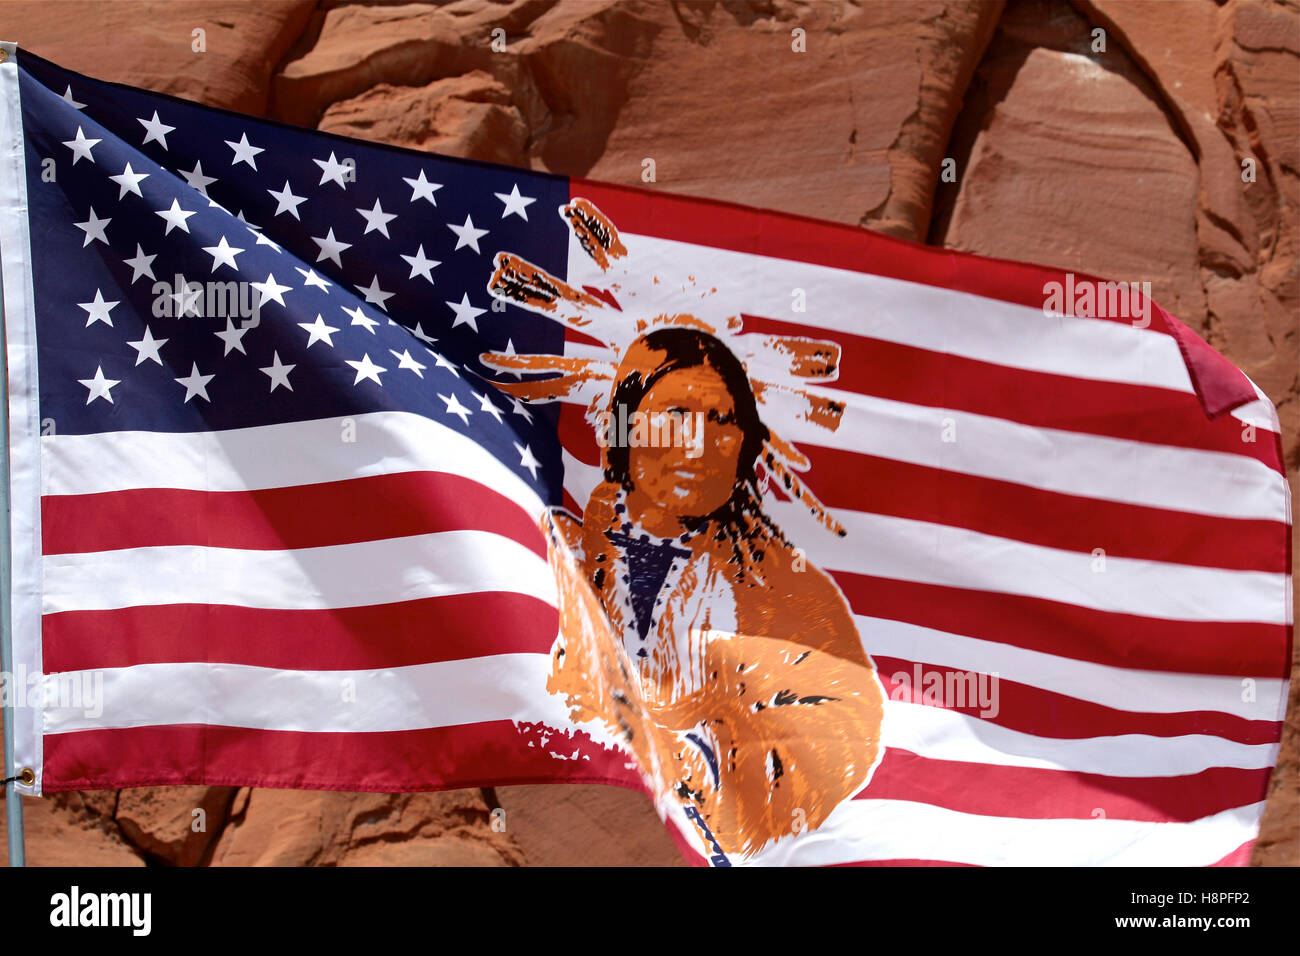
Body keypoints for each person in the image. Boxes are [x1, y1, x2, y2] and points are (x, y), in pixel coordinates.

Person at [543, 325, 884, 861]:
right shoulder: (557, 550)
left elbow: (843, 725)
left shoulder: (784, 585)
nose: (699, 444)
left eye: (722, 421)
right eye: (676, 415)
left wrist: (702, 758)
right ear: (623, 427)